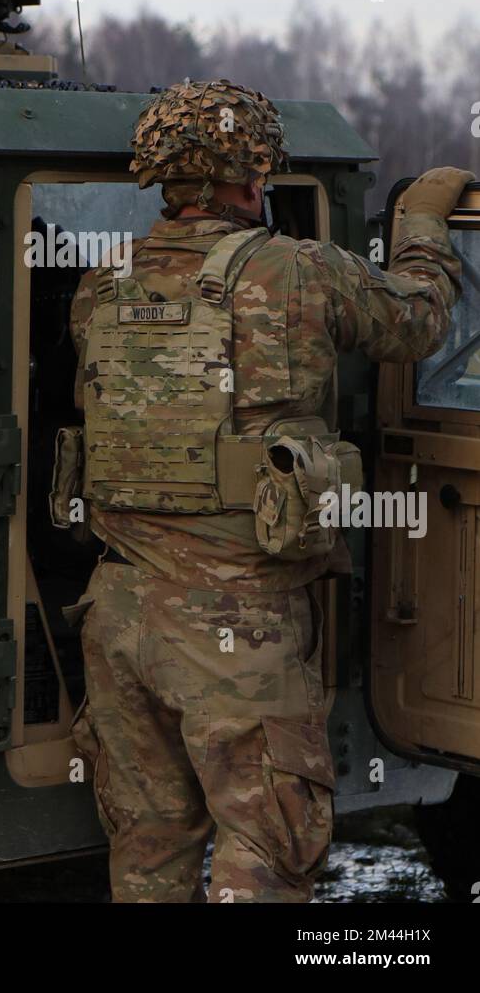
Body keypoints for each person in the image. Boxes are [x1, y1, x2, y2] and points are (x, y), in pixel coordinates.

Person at [67, 78, 471, 903]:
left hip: (117, 614)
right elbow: (420, 321)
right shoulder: (296, 271)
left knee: (147, 852)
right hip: (237, 627)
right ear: (253, 178)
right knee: (267, 848)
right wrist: (424, 225)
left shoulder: (102, 283)